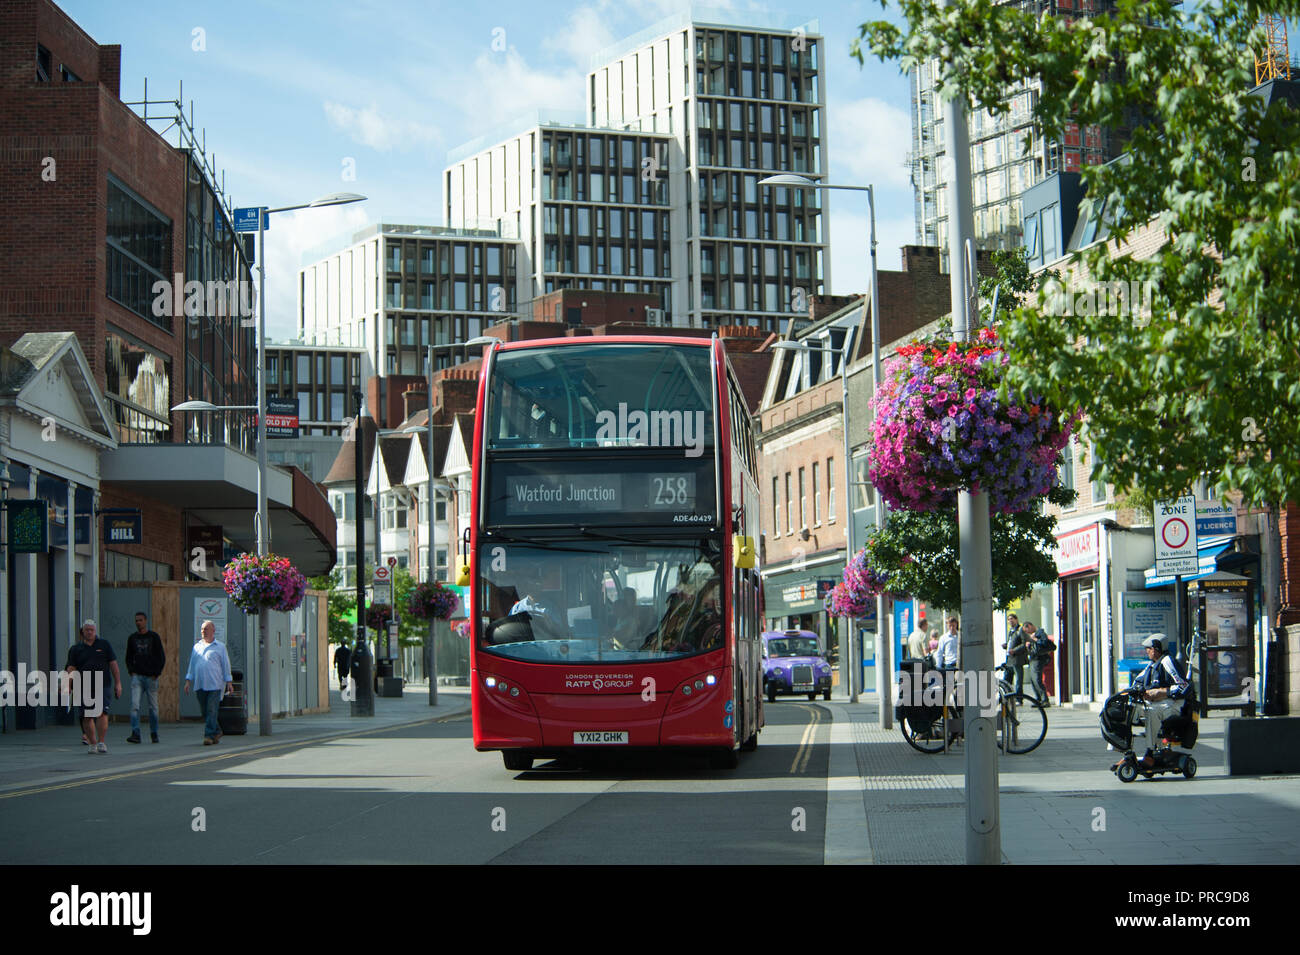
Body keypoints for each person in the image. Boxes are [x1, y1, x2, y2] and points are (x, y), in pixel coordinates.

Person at [1126, 633, 1190, 769]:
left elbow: (1183, 686)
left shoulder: (1167, 661)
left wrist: (1161, 692)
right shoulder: (1150, 666)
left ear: (1155, 648)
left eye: (1148, 648)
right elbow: (1137, 682)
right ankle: (1126, 752)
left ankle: (1150, 752)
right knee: (1128, 710)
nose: (1146, 651)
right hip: (1157, 703)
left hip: (1172, 704)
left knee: (1152, 712)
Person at [65, 620, 122, 754]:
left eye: (92, 630)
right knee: (87, 716)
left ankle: (101, 742)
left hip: (103, 684)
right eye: (87, 630)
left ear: (95, 631)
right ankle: (92, 742)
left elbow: (113, 664)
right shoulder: (76, 649)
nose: (89, 632)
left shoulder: (104, 644)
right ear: (82, 632)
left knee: (102, 712)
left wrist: (118, 683)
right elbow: (71, 668)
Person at [183, 620, 233, 746]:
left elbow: (226, 666)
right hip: (200, 684)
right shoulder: (197, 647)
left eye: (206, 629)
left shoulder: (220, 647)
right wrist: (188, 681)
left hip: (215, 684)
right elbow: (192, 665)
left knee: (211, 710)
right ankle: (216, 730)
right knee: (205, 711)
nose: (203, 631)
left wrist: (229, 682)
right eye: (202, 629)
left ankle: (209, 736)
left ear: (213, 631)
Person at [124, 611, 165, 744]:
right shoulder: (132, 638)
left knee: (153, 707)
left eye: (140, 620)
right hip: (138, 676)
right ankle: (135, 732)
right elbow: (128, 657)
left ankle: (154, 733)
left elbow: (161, 656)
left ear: (146, 621)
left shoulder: (154, 637)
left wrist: (156, 673)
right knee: (135, 705)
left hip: (151, 677)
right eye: (136, 620)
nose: (138, 623)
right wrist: (132, 671)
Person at [1022, 621, 1051, 705]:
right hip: (1033, 658)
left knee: (1037, 679)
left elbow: (1044, 642)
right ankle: (1038, 699)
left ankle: (1044, 699)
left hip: (1038, 659)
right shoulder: (1034, 634)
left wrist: (1034, 639)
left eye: (1027, 630)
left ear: (1030, 626)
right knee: (1033, 680)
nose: (1027, 633)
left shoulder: (1040, 633)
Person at [1002, 613, 1029, 696]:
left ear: (1016, 620)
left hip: (1017, 659)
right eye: (1009, 619)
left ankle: (1019, 697)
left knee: (1018, 679)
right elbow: (1012, 642)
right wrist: (1006, 646)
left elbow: (1024, 643)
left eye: (1012, 619)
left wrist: (1014, 650)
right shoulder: (1011, 631)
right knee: (1007, 678)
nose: (1010, 621)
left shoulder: (1020, 630)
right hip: (1009, 659)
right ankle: (1008, 696)